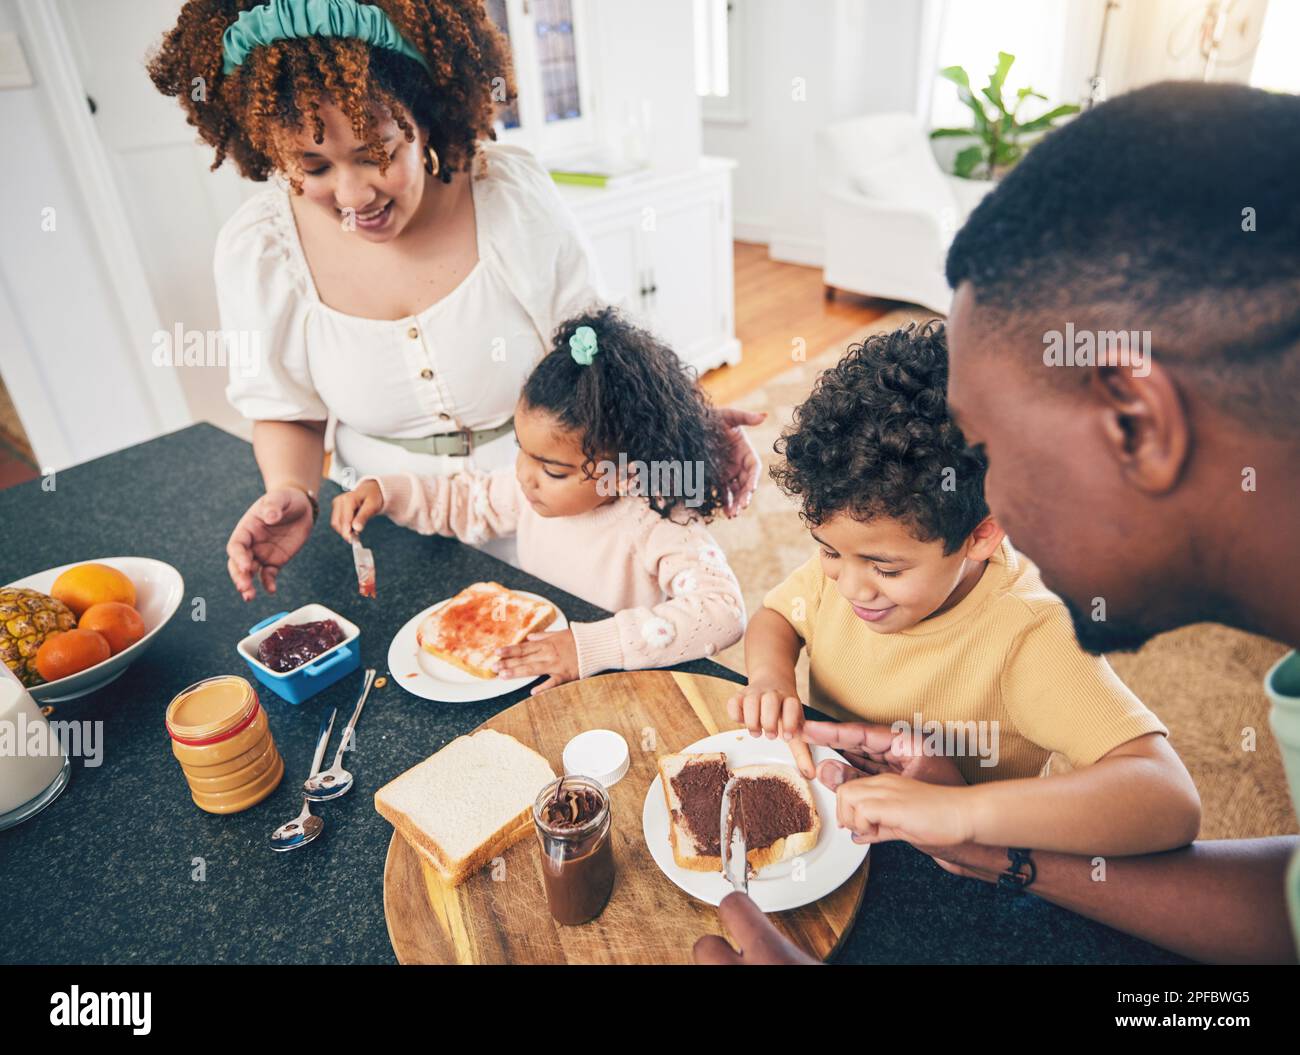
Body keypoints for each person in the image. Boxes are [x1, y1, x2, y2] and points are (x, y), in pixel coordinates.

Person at [697, 81, 1300, 965]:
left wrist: (973, 816)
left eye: (988, 444)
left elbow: (1168, 813)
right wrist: (984, 843)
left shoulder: (1023, 618)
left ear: (1137, 423)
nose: (987, 505)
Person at [147, 0, 761, 600]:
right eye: (313, 166)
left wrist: (684, 422)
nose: (353, 193)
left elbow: (595, 350)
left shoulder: (507, 194)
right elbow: (289, 411)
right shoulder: (260, 250)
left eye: (375, 152)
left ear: (426, 114)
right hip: (391, 523)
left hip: (555, 505)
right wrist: (291, 488)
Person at [730, 322, 1199, 855]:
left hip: (963, 858)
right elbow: (778, 617)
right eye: (830, 551)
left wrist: (957, 812)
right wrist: (771, 678)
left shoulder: (1029, 633)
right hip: (838, 820)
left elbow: (1168, 799)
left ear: (981, 536)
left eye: (886, 569)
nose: (851, 588)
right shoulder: (848, 562)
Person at [332, 308, 746, 691]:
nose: (524, 476)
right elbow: (464, 502)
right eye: (520, 450)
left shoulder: (658, 520)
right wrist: (386, 493)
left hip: (620, 682)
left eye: (553, 471)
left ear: (624, 472)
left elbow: (723, 611)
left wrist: (593, 646)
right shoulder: (524, 490)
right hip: (535, 671)